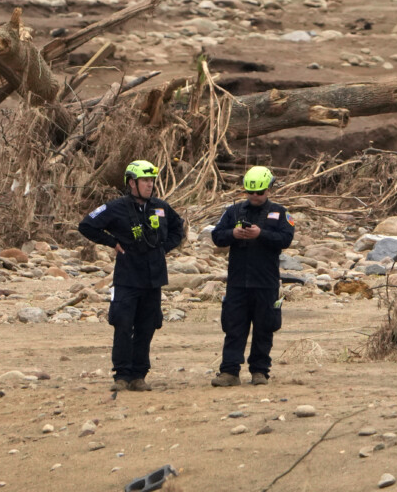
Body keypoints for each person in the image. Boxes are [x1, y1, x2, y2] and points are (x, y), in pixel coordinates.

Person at [78, 159, 186, 391]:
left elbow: (179, 228)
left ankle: (139, 375)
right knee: (123, 324)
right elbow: (86, 225)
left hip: (153, 278)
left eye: (151, 181)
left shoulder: (161, 207)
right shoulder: (116, 207)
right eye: (145, 181)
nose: (150, 185)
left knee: (148, 326)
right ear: (132, 183)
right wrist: (112, 242)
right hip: (127, 278)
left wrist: (164, 248)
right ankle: (122, 375)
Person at [210, 166, 293, 386]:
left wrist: (261, 234)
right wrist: (234, 234)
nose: (255, 196)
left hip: (265, 282)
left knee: (264, 328)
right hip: (238, 281)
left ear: (269, 189)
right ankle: (229, 372)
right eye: (250, 192)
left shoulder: (280, 213)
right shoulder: (233, 211)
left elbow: (285, 239)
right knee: (234, 327)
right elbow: (217, 236)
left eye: (259, 192)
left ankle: (260, 371)